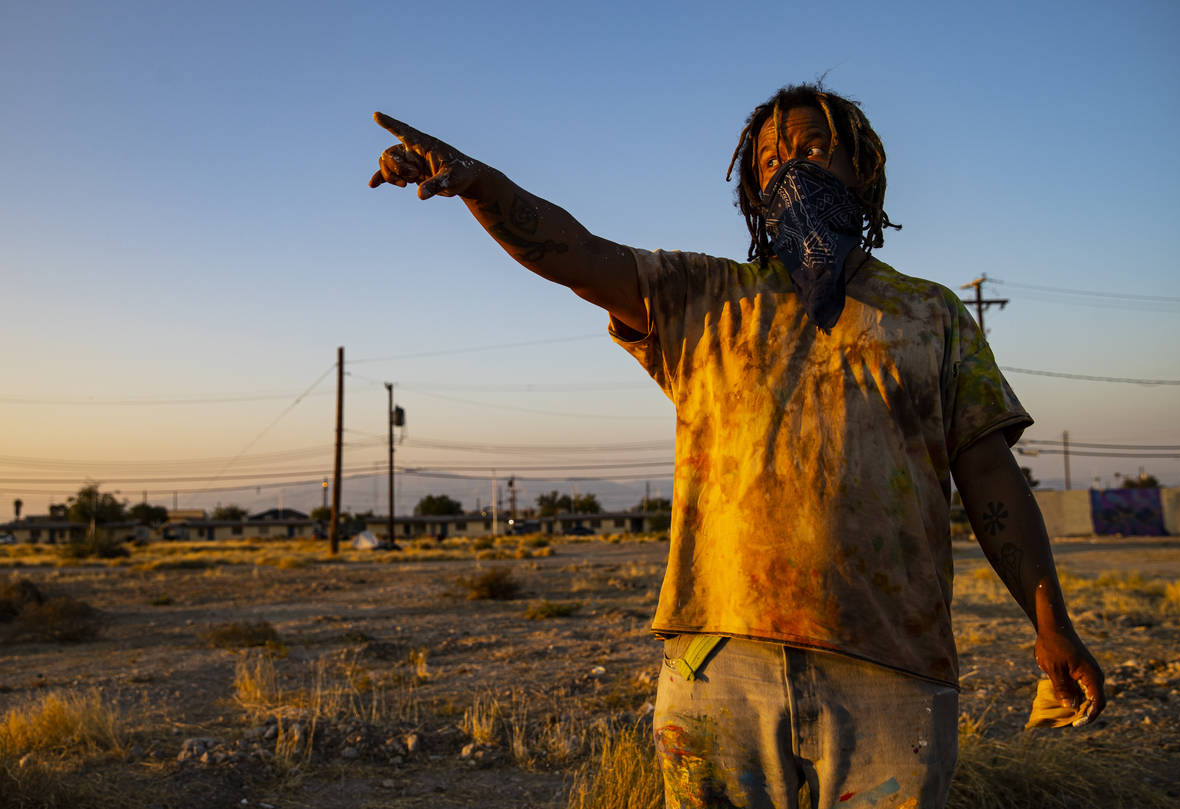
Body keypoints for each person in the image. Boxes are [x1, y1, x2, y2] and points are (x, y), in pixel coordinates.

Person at [368, 83, 1106, 809]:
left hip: (894, 671)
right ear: (754, 194)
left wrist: (1051, 626)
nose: (790, 166)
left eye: (813, 145)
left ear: (864, 169)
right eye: (769, 160)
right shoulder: (705, 298)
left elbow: (991, 478)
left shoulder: (932, 314)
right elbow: (575, 253)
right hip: (718, 666)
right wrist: (479, 183)